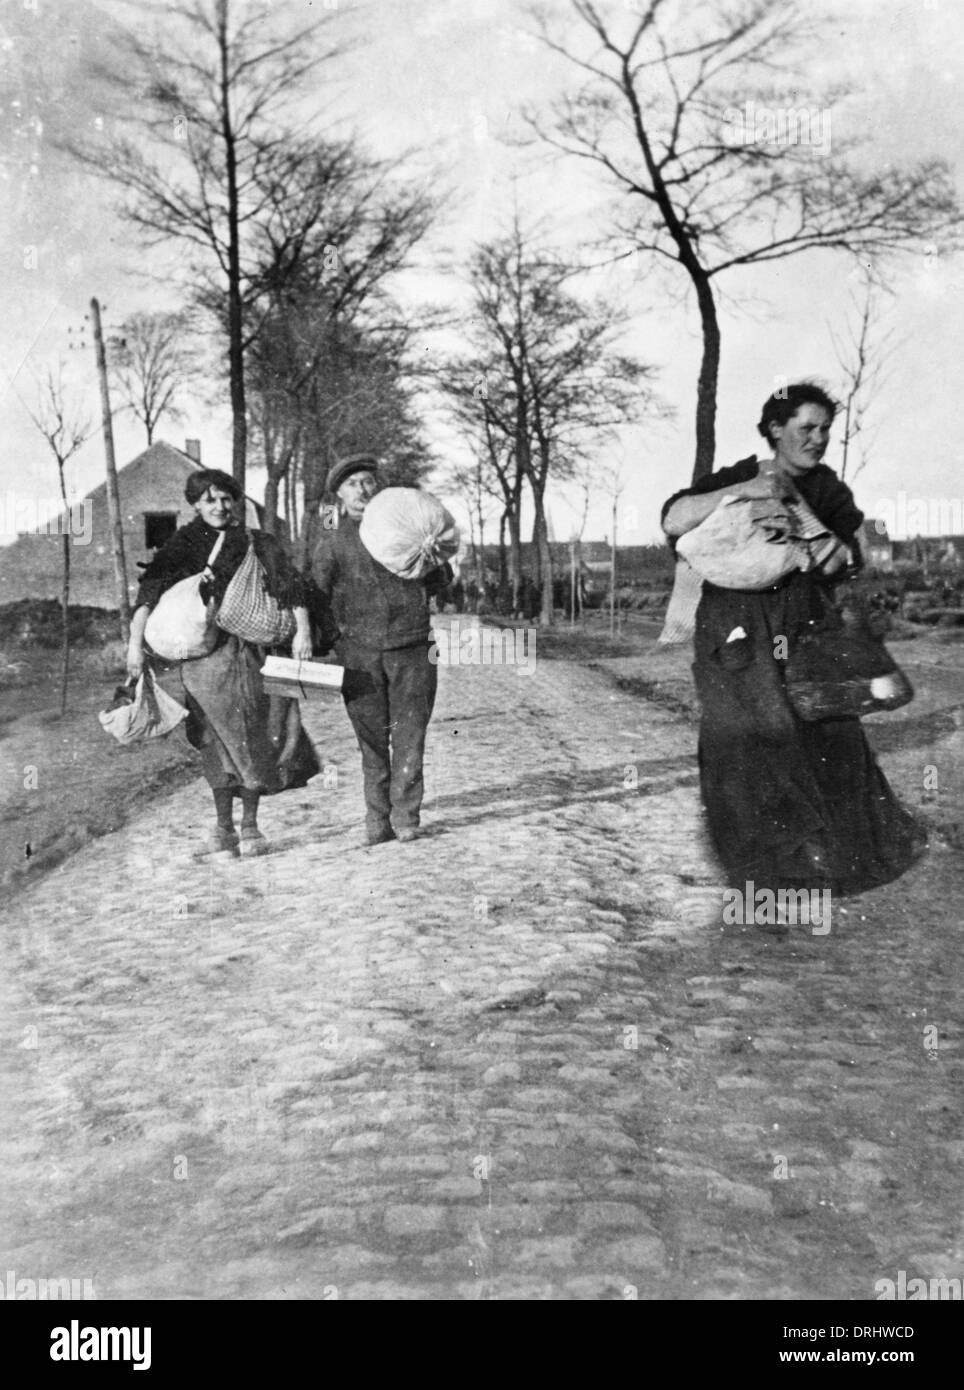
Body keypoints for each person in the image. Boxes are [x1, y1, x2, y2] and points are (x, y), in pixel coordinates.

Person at [661, 382, 923, 897]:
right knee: (745, 731)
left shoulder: (830, 491)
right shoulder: (741, 473)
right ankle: (766, 867)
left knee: (825, 729)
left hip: (801, 618)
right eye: (807, 428)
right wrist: (746, 492)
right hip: (732, 622)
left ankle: (834, 859)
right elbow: (674, 517)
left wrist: (810, 531)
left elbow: (842, 561)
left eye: (825, 429)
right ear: (776, 430)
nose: (819, 438)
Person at [127, 468, 324, 856]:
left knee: (255, 735)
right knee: (212, 740)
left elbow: (290, 587)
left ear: (235, 501)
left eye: (225, 498)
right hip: (204, 662)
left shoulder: (258, 542)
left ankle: (250, 827)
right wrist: (135, 644)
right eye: (209, 499)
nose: (219, 506)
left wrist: (302, 631)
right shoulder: (181, 545)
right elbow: (148, 596)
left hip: (254, 655)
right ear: (196, 505)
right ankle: (222, 829)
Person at [309, 453, 452, 846]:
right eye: (352, 484)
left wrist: (432, 561)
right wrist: (332, 638)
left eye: (369, 481)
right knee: (370, 740)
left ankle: (406, 815)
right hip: (359, 653)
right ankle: (377, 819)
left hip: (413, 646)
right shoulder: (332, 535)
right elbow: (316, 591)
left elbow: (441, 577)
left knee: (410, 734)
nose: (362, 490)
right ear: (338, 494)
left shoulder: (406, 525)